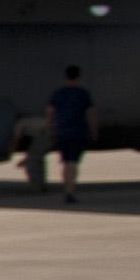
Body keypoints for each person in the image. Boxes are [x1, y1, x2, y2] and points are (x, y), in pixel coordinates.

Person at [50, 66, 95, 204]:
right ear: (78, 77)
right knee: (73, 163)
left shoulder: (58, 94)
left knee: (65, 162)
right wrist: (94, 131)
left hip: (62, 131)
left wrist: (51, 131)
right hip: (77, 132)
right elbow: (90, 114)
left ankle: (66, 189)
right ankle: (70, 191)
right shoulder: (83, 94)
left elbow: (50, 113)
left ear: (66, 76)